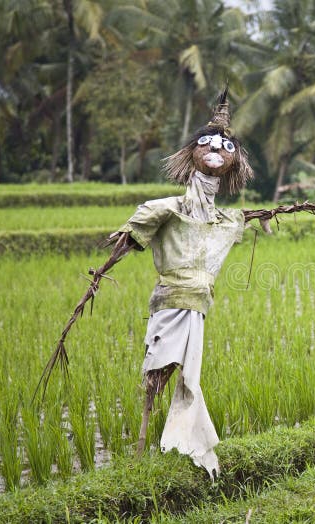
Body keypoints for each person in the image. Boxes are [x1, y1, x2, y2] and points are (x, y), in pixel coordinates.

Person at [116, 87, 252, 478]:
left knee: (188, 376)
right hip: (171, 297)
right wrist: (112, 258)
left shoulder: (223, 218)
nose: (215, 149)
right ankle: (144, 446)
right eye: (207, 143)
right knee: (156, 371)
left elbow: (239, 218)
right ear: (192, 151)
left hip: (198, 302)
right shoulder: (169, 208)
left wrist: (282, 210)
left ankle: (174, 443)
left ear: (233, 161)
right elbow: (140, 225)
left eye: (225, 146)